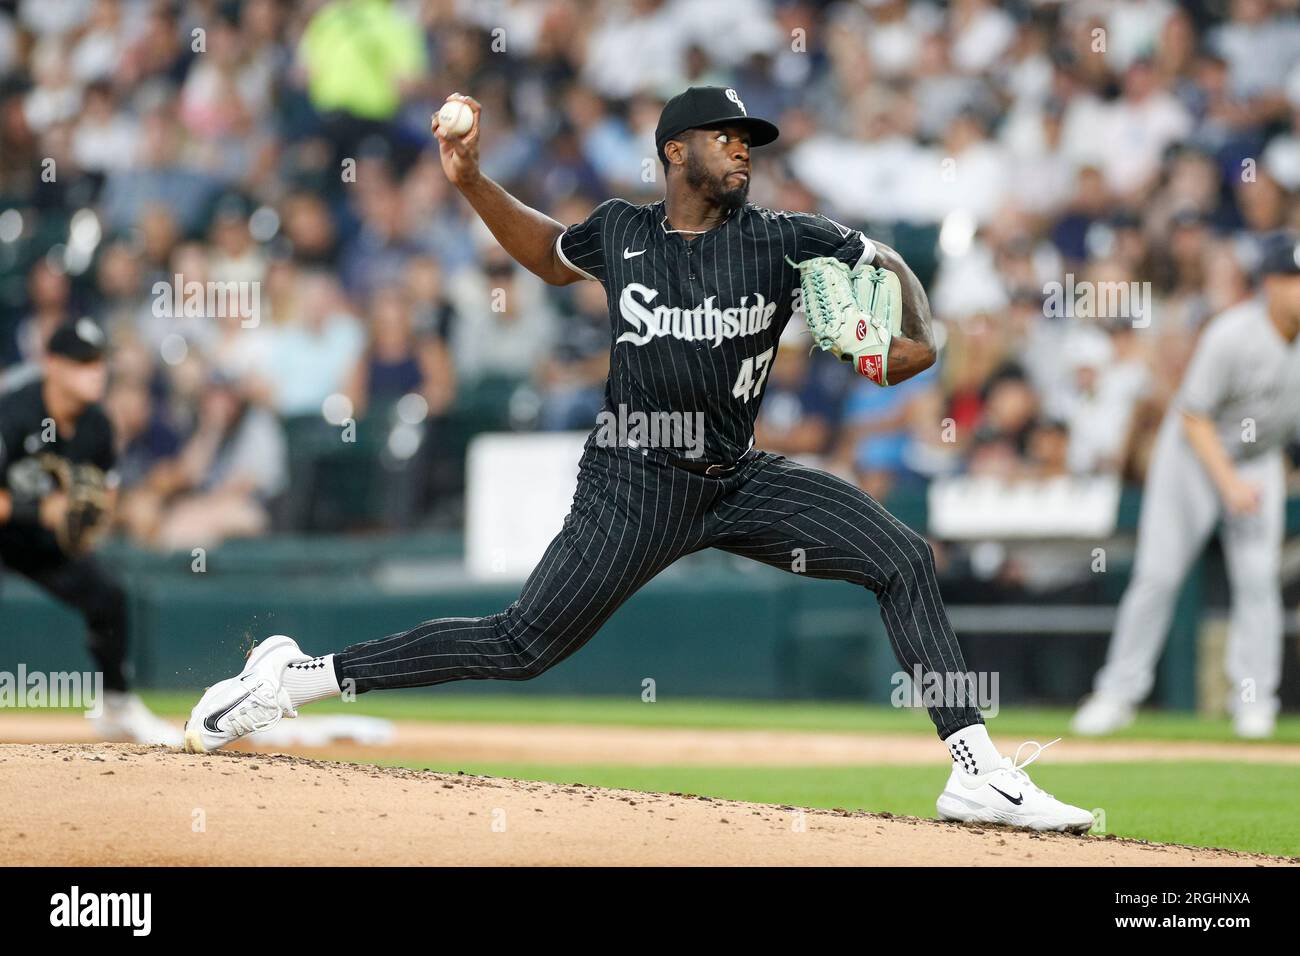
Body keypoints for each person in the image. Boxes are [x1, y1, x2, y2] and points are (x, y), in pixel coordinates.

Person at [184, 87, 1095, 832]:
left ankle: (977, 771)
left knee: (901, 556)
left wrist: (889, 282)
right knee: (520, 645)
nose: (742, 149)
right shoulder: (624, 233)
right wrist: (468, 179)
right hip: (633, 481)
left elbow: (910, 352)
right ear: (674, 152)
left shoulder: (785, 242)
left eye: (750, 138)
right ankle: (296, 677)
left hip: (737, 478)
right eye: (724, 136)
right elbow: (544, 254)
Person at [1073, 232, 1300, 740]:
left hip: (1257, 458)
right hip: (1193, 456)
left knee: (1259, 580)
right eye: (1292, 278)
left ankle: (1255, 699)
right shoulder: (1234, 334)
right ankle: (1117, 693)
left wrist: (1256, 478)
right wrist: (1230, 485)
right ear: (1269, 284)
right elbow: (1195, 416)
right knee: (1158, 575)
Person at [0, 319, 180, 745]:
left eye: (99, 362)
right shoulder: (13, 413)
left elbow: (105, 503)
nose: (95, 371)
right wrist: (40, 510)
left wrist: (87, 524)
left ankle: (117, 706)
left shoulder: (98, 427)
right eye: (83, 362)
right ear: (52, 365)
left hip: (44, 546)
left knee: (108, 595)